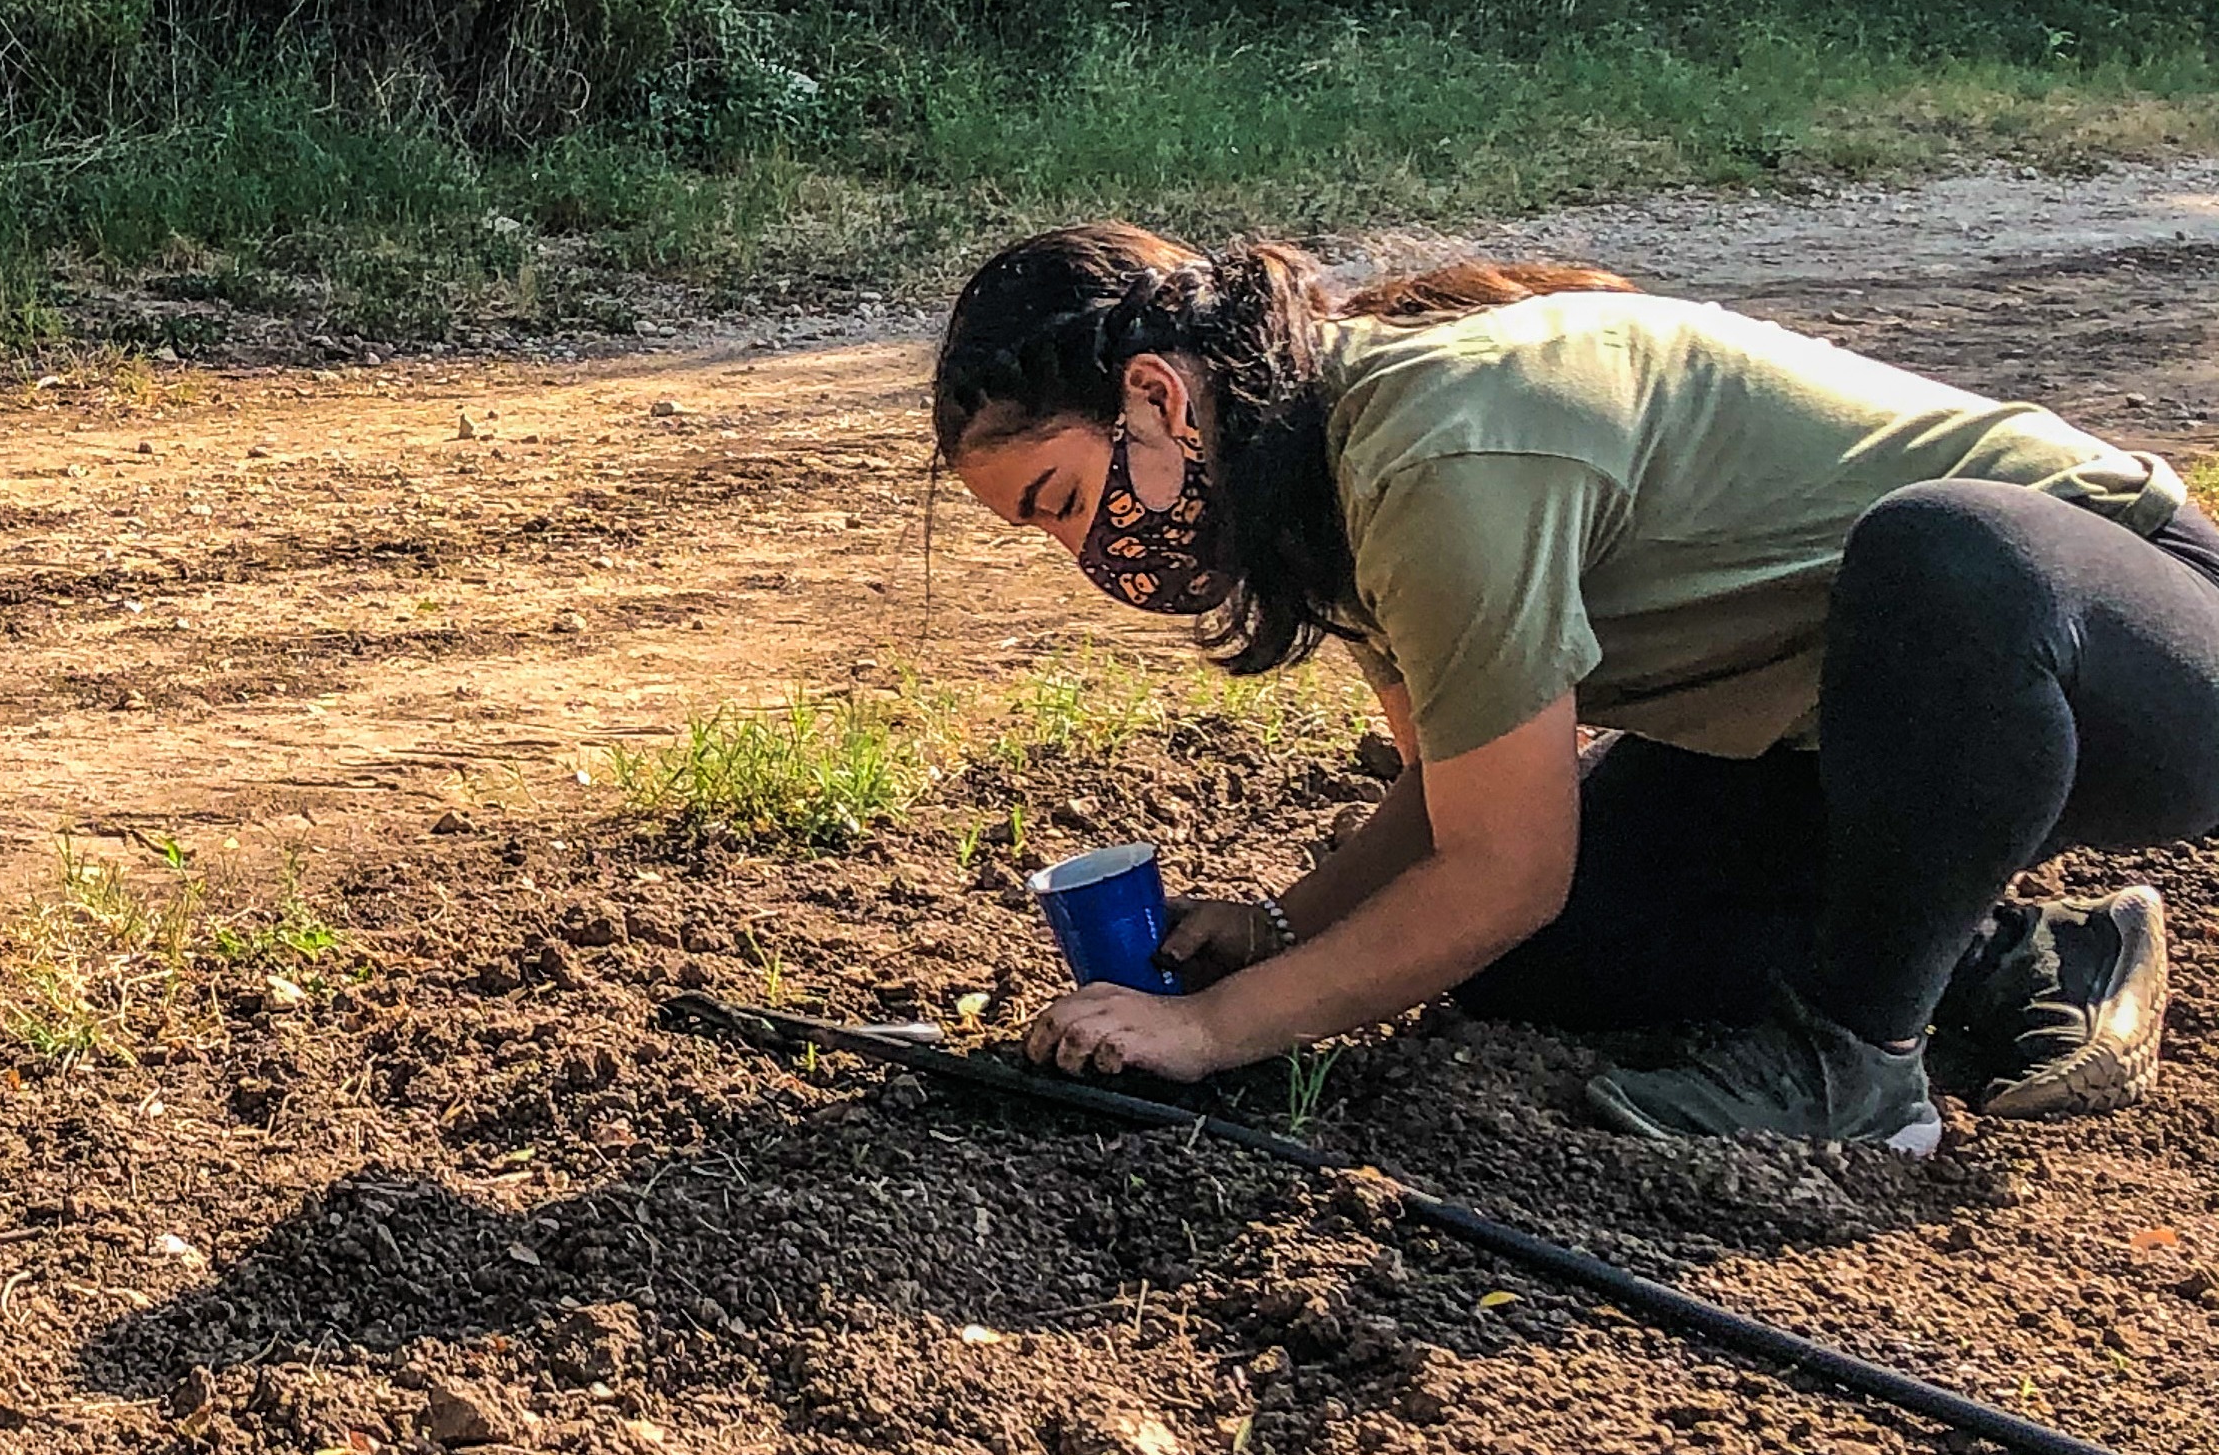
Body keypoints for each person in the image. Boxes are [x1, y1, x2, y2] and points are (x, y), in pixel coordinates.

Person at [933, 223, 2212, 1150]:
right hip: (1865, 733)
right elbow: (1461, 793)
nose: (1085, 555)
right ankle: (2038, 960)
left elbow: (1503, 871)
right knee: (1536, 959)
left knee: (1939, 551)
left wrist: (1210, 1035)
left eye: (1065, 502)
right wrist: (1283, 929)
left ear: (1154, 397)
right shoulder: (1312, 472)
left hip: (2120, 637)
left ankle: (1863, 1068)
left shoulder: (1436, 446)